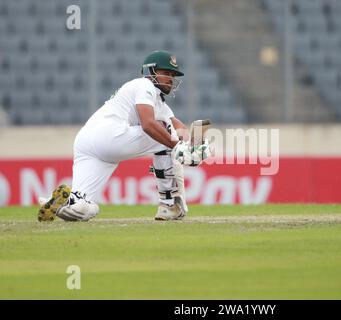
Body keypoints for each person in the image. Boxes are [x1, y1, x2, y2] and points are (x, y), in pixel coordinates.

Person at [37, 50, 211, 222]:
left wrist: (194, 145)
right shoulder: (145, 86)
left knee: (84, 207)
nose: (170, 79)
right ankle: (169, 205)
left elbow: (178, 127)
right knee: (163, 132)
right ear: (150, 72)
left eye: (172, 75)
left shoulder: (158, 101)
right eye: (165, 73)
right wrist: (179, 147)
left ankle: (64, 203)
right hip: (110, 135)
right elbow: (149, 125)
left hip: (87, 141)